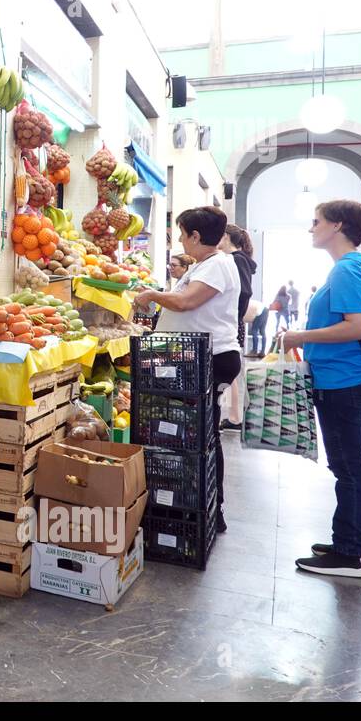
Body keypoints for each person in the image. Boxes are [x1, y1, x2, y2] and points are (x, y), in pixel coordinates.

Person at [283, 200, 361, 579]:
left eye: (317, 221)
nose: (312, 228)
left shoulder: (346, 271)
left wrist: (299, 335)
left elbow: (359, 326)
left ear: (337, 225)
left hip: (342, 381)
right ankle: (357, 545)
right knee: (351, 465)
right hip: (346, 379)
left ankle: (347, 554)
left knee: (348, 468)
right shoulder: (358, 268)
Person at [135, 206, 240, 534]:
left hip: (212, 357)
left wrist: (152, 294)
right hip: (197, 358)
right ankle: (193, 501)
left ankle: (212, 506)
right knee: (197, 432)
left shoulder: (218, 265)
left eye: (182, 233)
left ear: (196, 236)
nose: (180, 240)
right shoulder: (207, 265)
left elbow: (185, 303)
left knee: (205, 435)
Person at [218, 224, 256, 430]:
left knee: (231, 371)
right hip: (233, 322)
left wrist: (233, 316)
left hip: (232, 323)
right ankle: (234, 416)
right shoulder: (237, 259)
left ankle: (234, 417)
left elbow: (244, 292)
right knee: (232, 372)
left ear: (225, 237)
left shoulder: (236, 259)